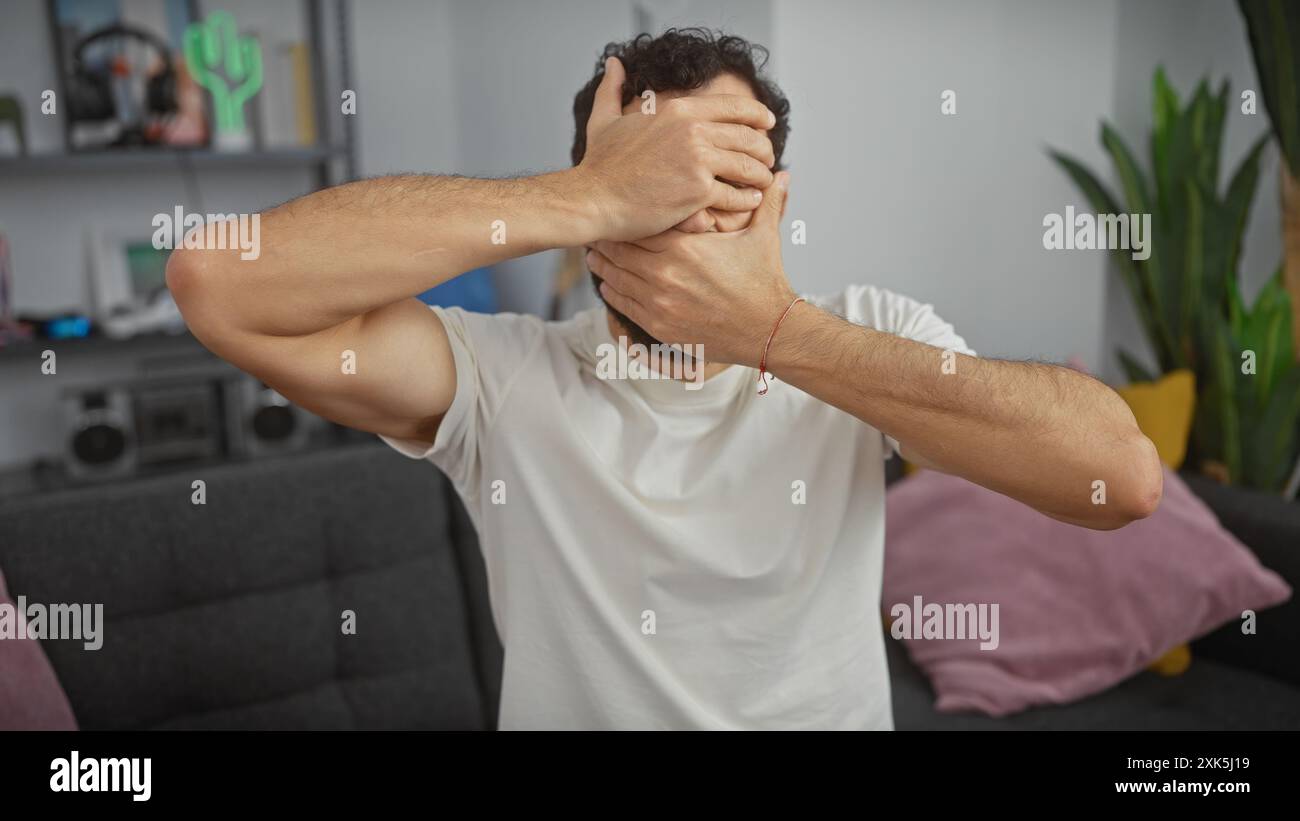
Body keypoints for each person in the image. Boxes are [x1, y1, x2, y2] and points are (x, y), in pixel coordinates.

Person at [167, 29, 1162, 730]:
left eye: (725, 186)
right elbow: (218, 281)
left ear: (775, 205)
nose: (691, 222)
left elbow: (1117, 476)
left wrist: (777, 331)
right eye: (657, 185)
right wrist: (590, 193)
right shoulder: (502, 377)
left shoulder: (863, 337)